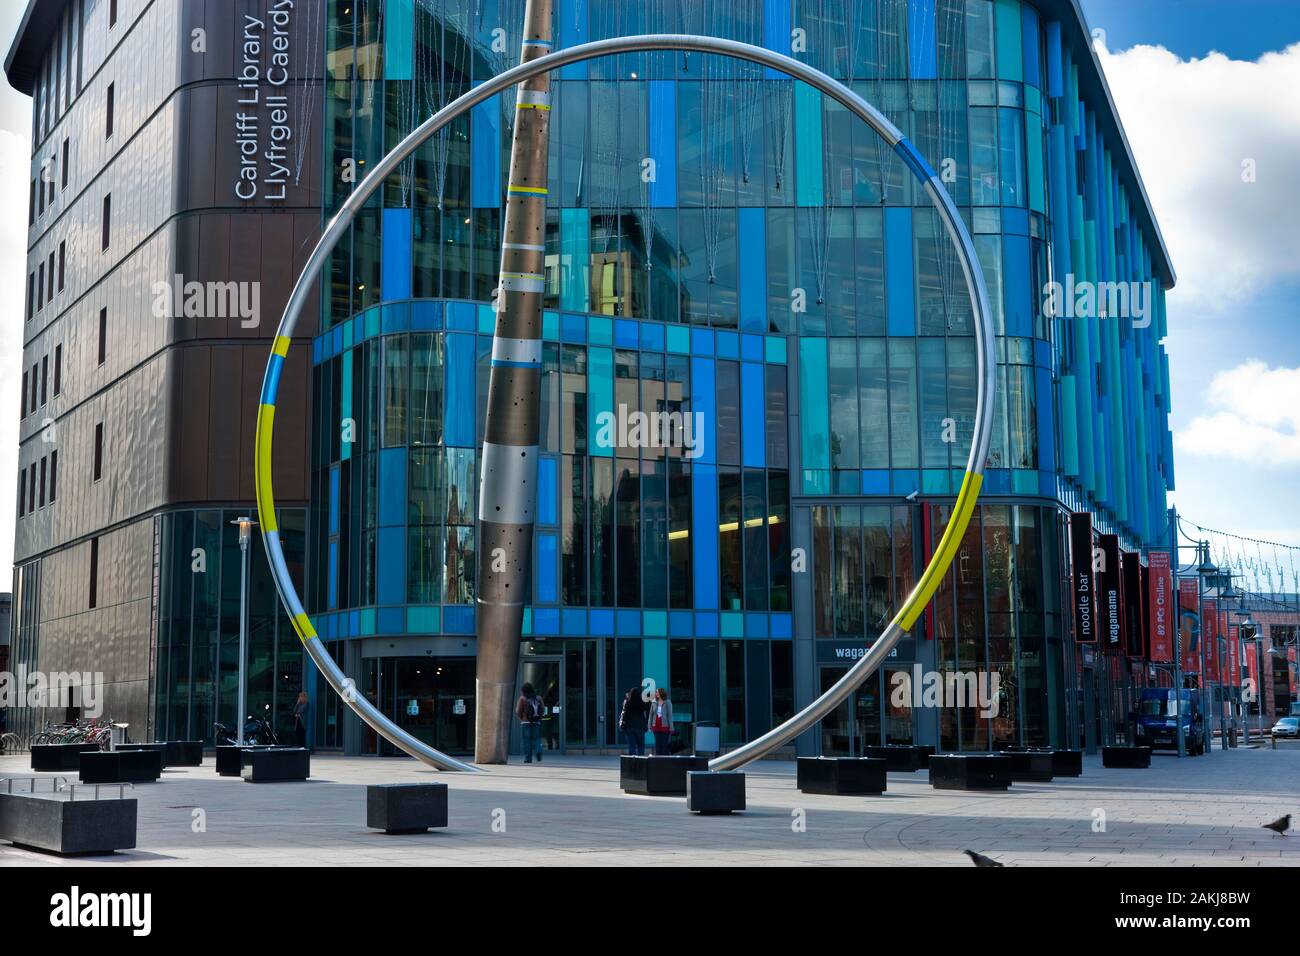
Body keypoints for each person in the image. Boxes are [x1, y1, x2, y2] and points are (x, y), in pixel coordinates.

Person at [516, 682, 545, 763]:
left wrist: (522, 718)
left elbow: (518, 711)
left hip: (525, 722)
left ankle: (528, 759)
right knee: (537, 739)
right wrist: (539, 718)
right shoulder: (538, 698)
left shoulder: (522, 699)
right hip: (536, 722)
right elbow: (542, 709)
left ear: (523, 690)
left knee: (526, 740)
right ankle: (538, 750)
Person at [618, 687, 647, 756]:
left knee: (632, 746)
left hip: (629, 727)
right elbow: (645, 713)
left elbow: (624, 713)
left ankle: (632, 762)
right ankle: (641, 761)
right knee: (641, 745)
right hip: (640, 727)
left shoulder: (628, 703)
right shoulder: (642, 703)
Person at [647, 687, 673, 755]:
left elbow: (670, 716)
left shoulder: (668, 703)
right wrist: (649, 727)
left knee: (664, 745)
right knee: (657, 745)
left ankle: (665, 761)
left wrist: (671, 728)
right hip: (656, 727)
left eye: (657, 692)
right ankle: (658, 761)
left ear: (661, 693)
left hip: (665, 727)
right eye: (656, 692)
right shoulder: (654, 703)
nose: (656, 693)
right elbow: (650, 715)